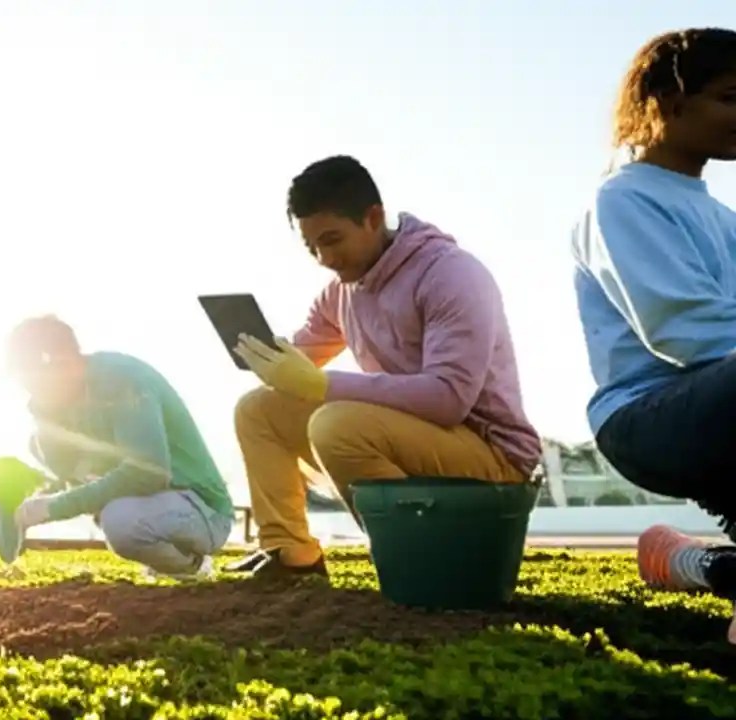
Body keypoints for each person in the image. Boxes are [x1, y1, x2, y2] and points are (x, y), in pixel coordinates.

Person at [227, 155, 542, 579]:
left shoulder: (450, 274)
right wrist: (263, 354)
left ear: (373, 218)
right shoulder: (341, 292)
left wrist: (321, 385)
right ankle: (292, 556)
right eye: (312, 246)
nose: (324, 257)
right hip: (417, 440)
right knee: (259, 408)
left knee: (336, 425)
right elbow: (301, 357)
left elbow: (449, 399)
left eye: (333, 239)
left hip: (492, 456)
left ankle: (422, 564)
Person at [568, 28, 736, 624]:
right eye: (729, 96)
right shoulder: (622, 199)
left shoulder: (719, 214)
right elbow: (684, 329)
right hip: (647, 416)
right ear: (666, 102)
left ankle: (695, 564)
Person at [7, 315, 235, 580]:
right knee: (38, 442)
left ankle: (192, 568)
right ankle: (157, 544)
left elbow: (148, 473)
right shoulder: (51, 404)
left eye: (32, 379)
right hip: (149, 503)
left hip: (203, 510)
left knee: (121, 522)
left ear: (64, 363)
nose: (29, 391)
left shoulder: (123, 381)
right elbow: (69, 469)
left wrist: (52, 508)